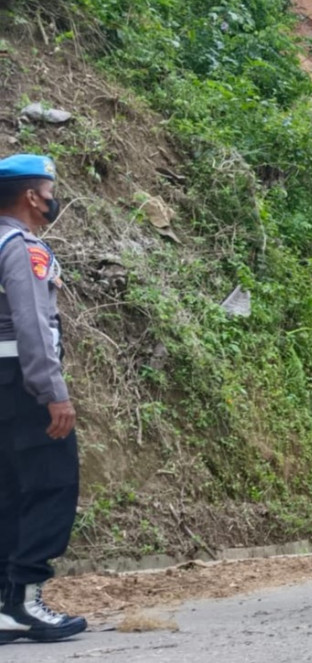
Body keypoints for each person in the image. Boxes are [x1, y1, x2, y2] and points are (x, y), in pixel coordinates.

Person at [0, 154, 88, 644]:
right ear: (33, 196)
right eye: (49, 190)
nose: (53, 198)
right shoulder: (21, 246)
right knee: (50, 486)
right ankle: (27, 600)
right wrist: (54, 393)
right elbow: (33, 324)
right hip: (22, 385)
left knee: (8, 491)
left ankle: (4, 605)